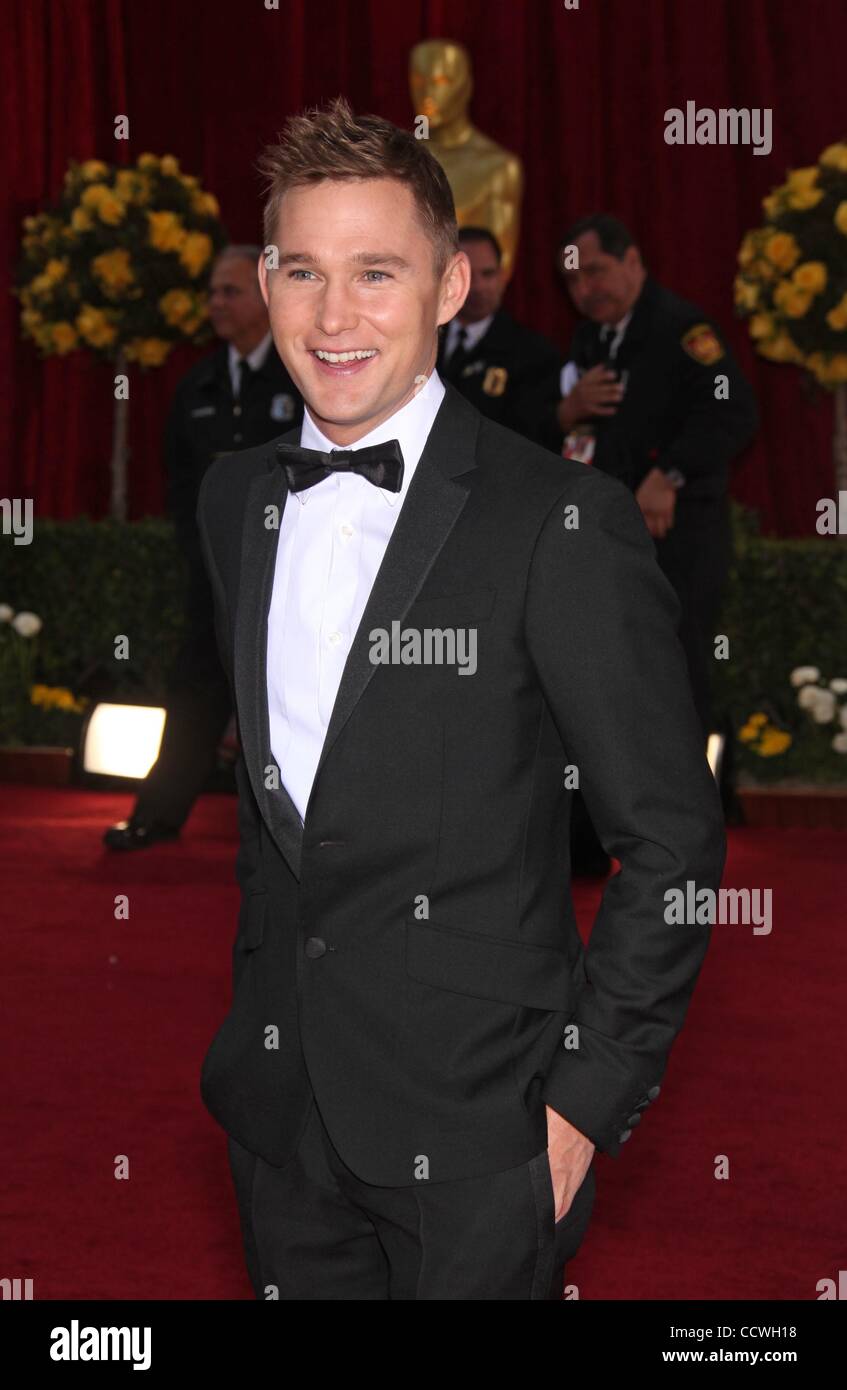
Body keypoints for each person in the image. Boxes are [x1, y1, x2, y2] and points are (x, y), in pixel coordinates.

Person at [196, 98, 726, 1301]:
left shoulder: (558, 520)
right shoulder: (236, 500)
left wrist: (581, 1107)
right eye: (302, 272)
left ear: (449, 286)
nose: (334, 317)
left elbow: (673, 840)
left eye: (376, 273)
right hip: (279, 1119)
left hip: (483, 1134)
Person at [557, 214, 758, 876]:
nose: (586, 289)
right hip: (607, 540)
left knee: (680, 674)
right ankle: (593, 831)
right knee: (598, 676)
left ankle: (698, 817)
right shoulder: (591, 339)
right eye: (574, 279)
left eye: (596, 272)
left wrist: (666, 472)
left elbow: (732, 412)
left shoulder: (681, 329)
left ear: (633, 261)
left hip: (681, 540)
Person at [103, 246, 302, 851]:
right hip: (215, 575)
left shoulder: (302, 372)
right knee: (194, 690)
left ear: (265, 295)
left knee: (295, 700)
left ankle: (308, 834)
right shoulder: (197, 384)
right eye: (213, 292)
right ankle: (156, 817)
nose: (216, 304)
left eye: (230, 292)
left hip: (293, 573)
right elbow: (181, 481)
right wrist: (204, 554)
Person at [437, 226, 562, 448]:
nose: (478, 287)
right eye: (468, 276)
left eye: (488, 274)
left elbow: (530, 435)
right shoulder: (424, 340)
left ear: (503, 276)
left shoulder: (533, 353)